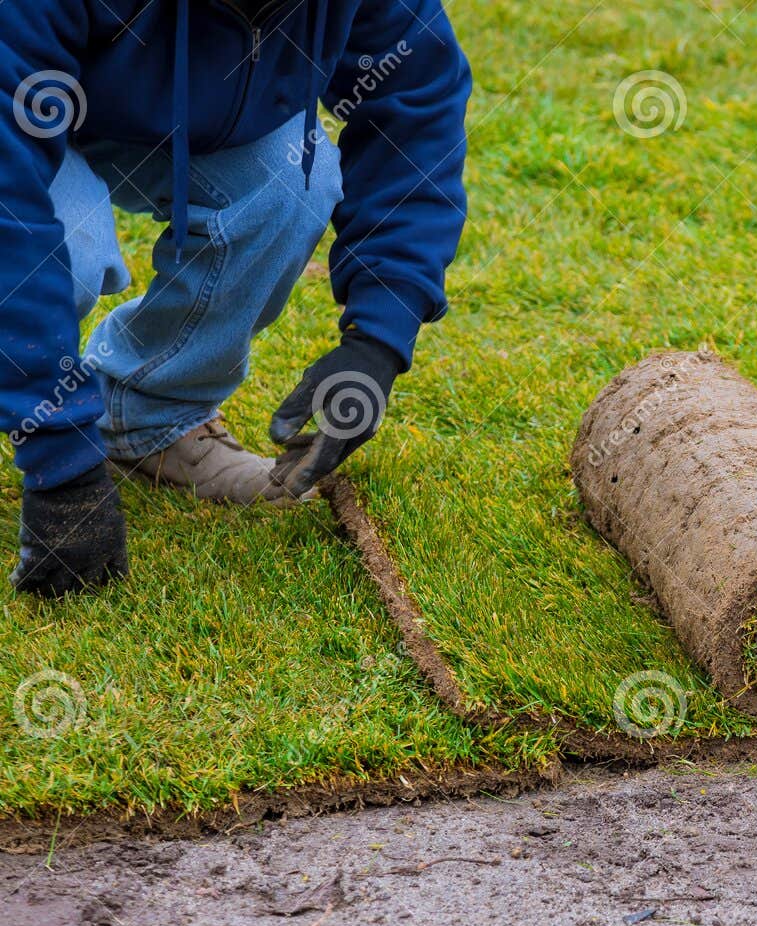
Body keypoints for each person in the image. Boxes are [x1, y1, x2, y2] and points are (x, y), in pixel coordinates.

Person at [0, 0, 471, 597]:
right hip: (23, 110)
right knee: (70, 254)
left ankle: (147, 415)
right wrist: (61, 463)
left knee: (290, 182)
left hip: (162, 112)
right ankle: (32, 402)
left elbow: (416, 111)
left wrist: (379, 340)